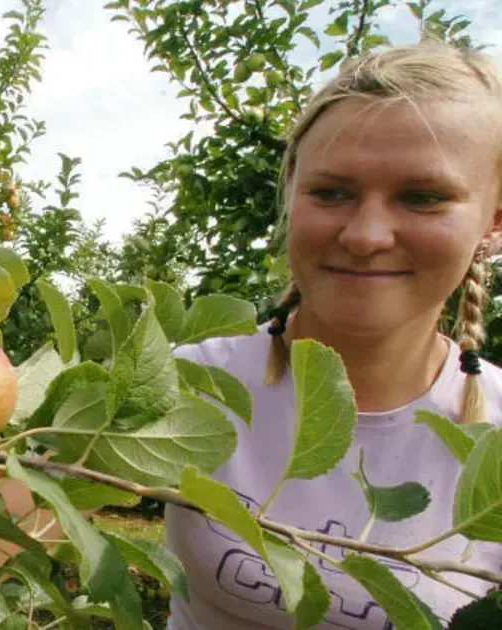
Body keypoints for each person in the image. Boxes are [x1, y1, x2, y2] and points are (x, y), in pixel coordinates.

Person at [165, 41, 502, 629]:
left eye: (423, 197)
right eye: (332, 192)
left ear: (494, 221)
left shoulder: (493, 441)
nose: (367, 235)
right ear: (291, 195)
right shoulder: (192, 381)